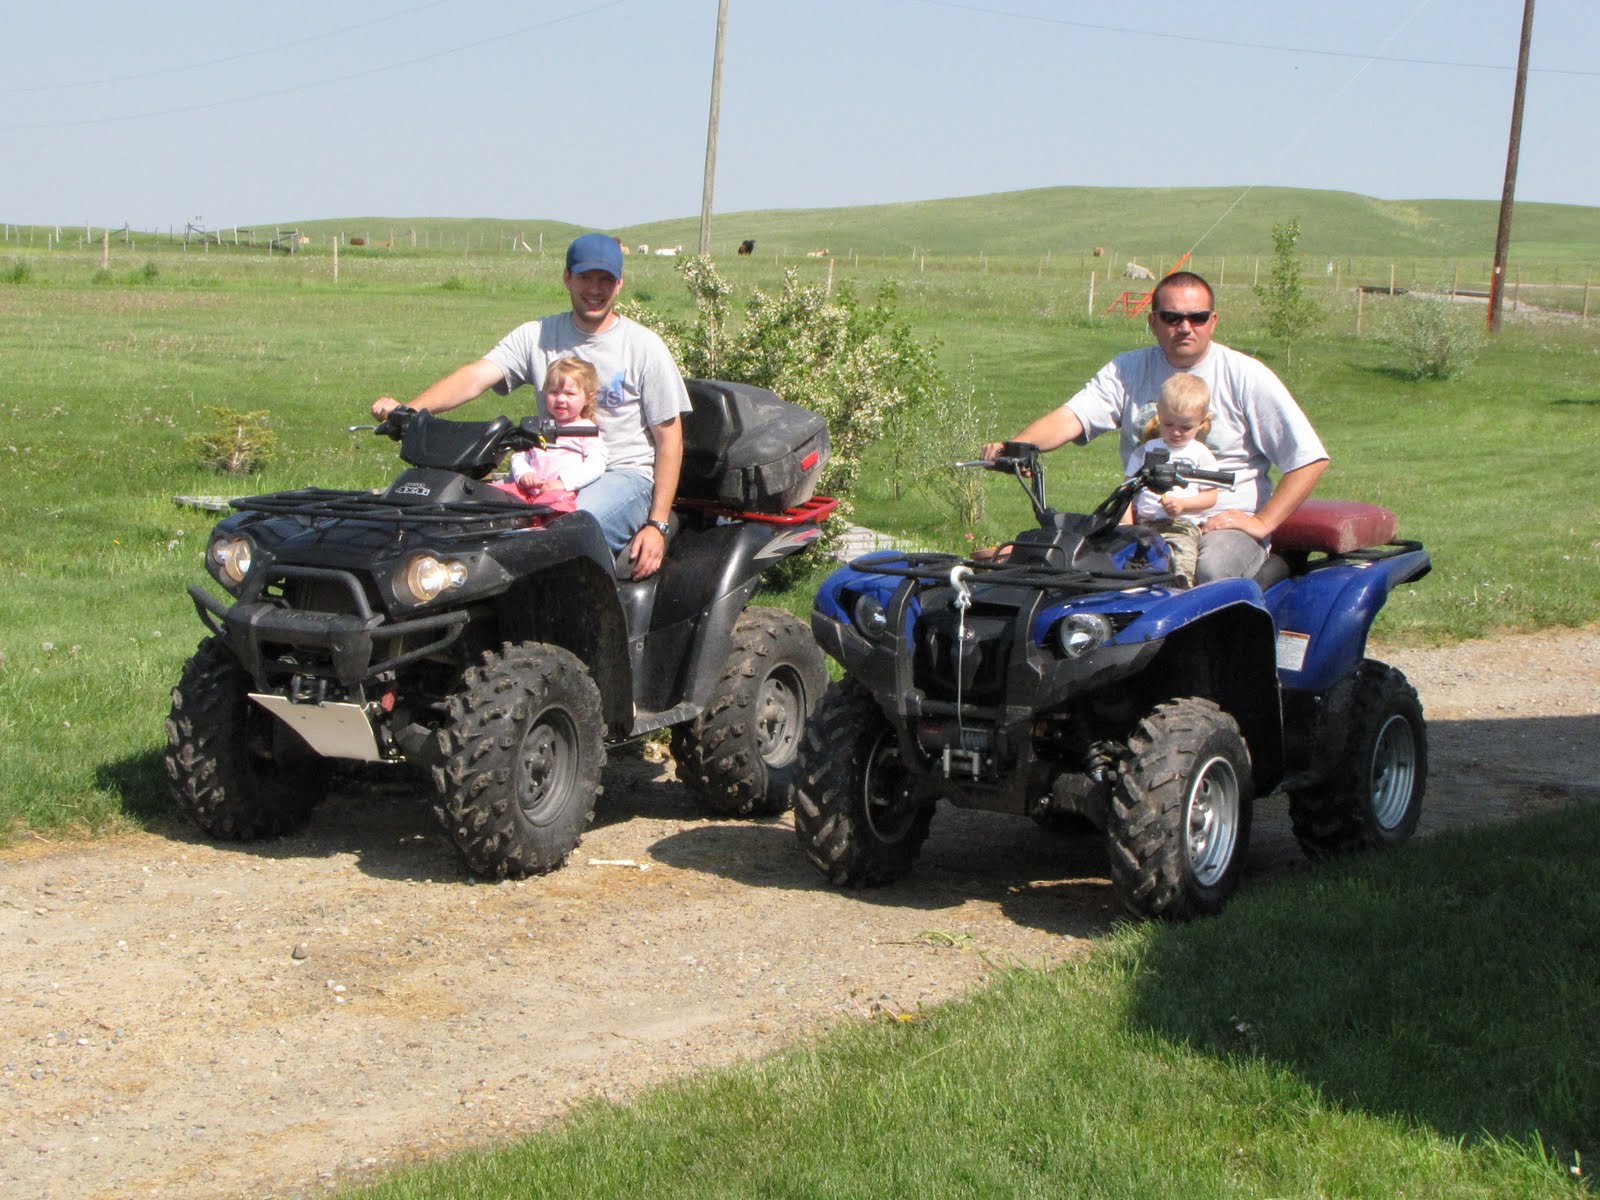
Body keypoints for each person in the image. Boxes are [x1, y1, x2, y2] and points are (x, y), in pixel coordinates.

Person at [372, 233, 691, 578]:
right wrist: (411, 411)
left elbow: (670, 440)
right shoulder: (537, 336)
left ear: (620, 284)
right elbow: (477, 376)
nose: (595, 289)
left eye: (605, 280)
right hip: (548, 468)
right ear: (567, 277)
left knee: (565, 529)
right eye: (585, 277)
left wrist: (656, 525)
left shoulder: (643, 346)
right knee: (469, 521)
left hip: (623, 473)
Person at [984, 270, 1328, 583]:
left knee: (1205, 573)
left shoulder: (1245, 376)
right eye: (1172, 317)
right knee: (1073, 566)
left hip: (1219, 523)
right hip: (1143, 520)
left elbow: (1308, 459)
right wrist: (1016, 447)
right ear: (1153, 322)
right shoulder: (1129, 369)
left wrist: (1262, 523)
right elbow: (1073, 417)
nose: (1185, 327)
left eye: (1198, 317)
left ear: (1214, 321)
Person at [1121, 372, 1220, 586]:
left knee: (1178, 568)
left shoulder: (1199, 453)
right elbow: (1127, 489)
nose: (1176, 432)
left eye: (1185, 427)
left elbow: (1210, 496)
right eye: (1168, 424)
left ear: (1201, 423)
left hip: (1180, 526)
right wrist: (1127, 523)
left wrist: (1183, 504)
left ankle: (1179, 595)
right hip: (1144, 524)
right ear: (1159, 415)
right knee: (1131, 568)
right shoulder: (1146, 451)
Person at [500, 357, 608, 513]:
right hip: (529, 490)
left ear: (588, 398)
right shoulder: (539, 426)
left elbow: (596, 464)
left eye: (570, 394)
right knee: (494, 494)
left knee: (550, 508)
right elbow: (520, 455)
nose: (560, 399)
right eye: (554, 392)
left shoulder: (586, 429)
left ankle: (534, 527)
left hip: (560, 493)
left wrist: (563, 482)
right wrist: (525, 473)